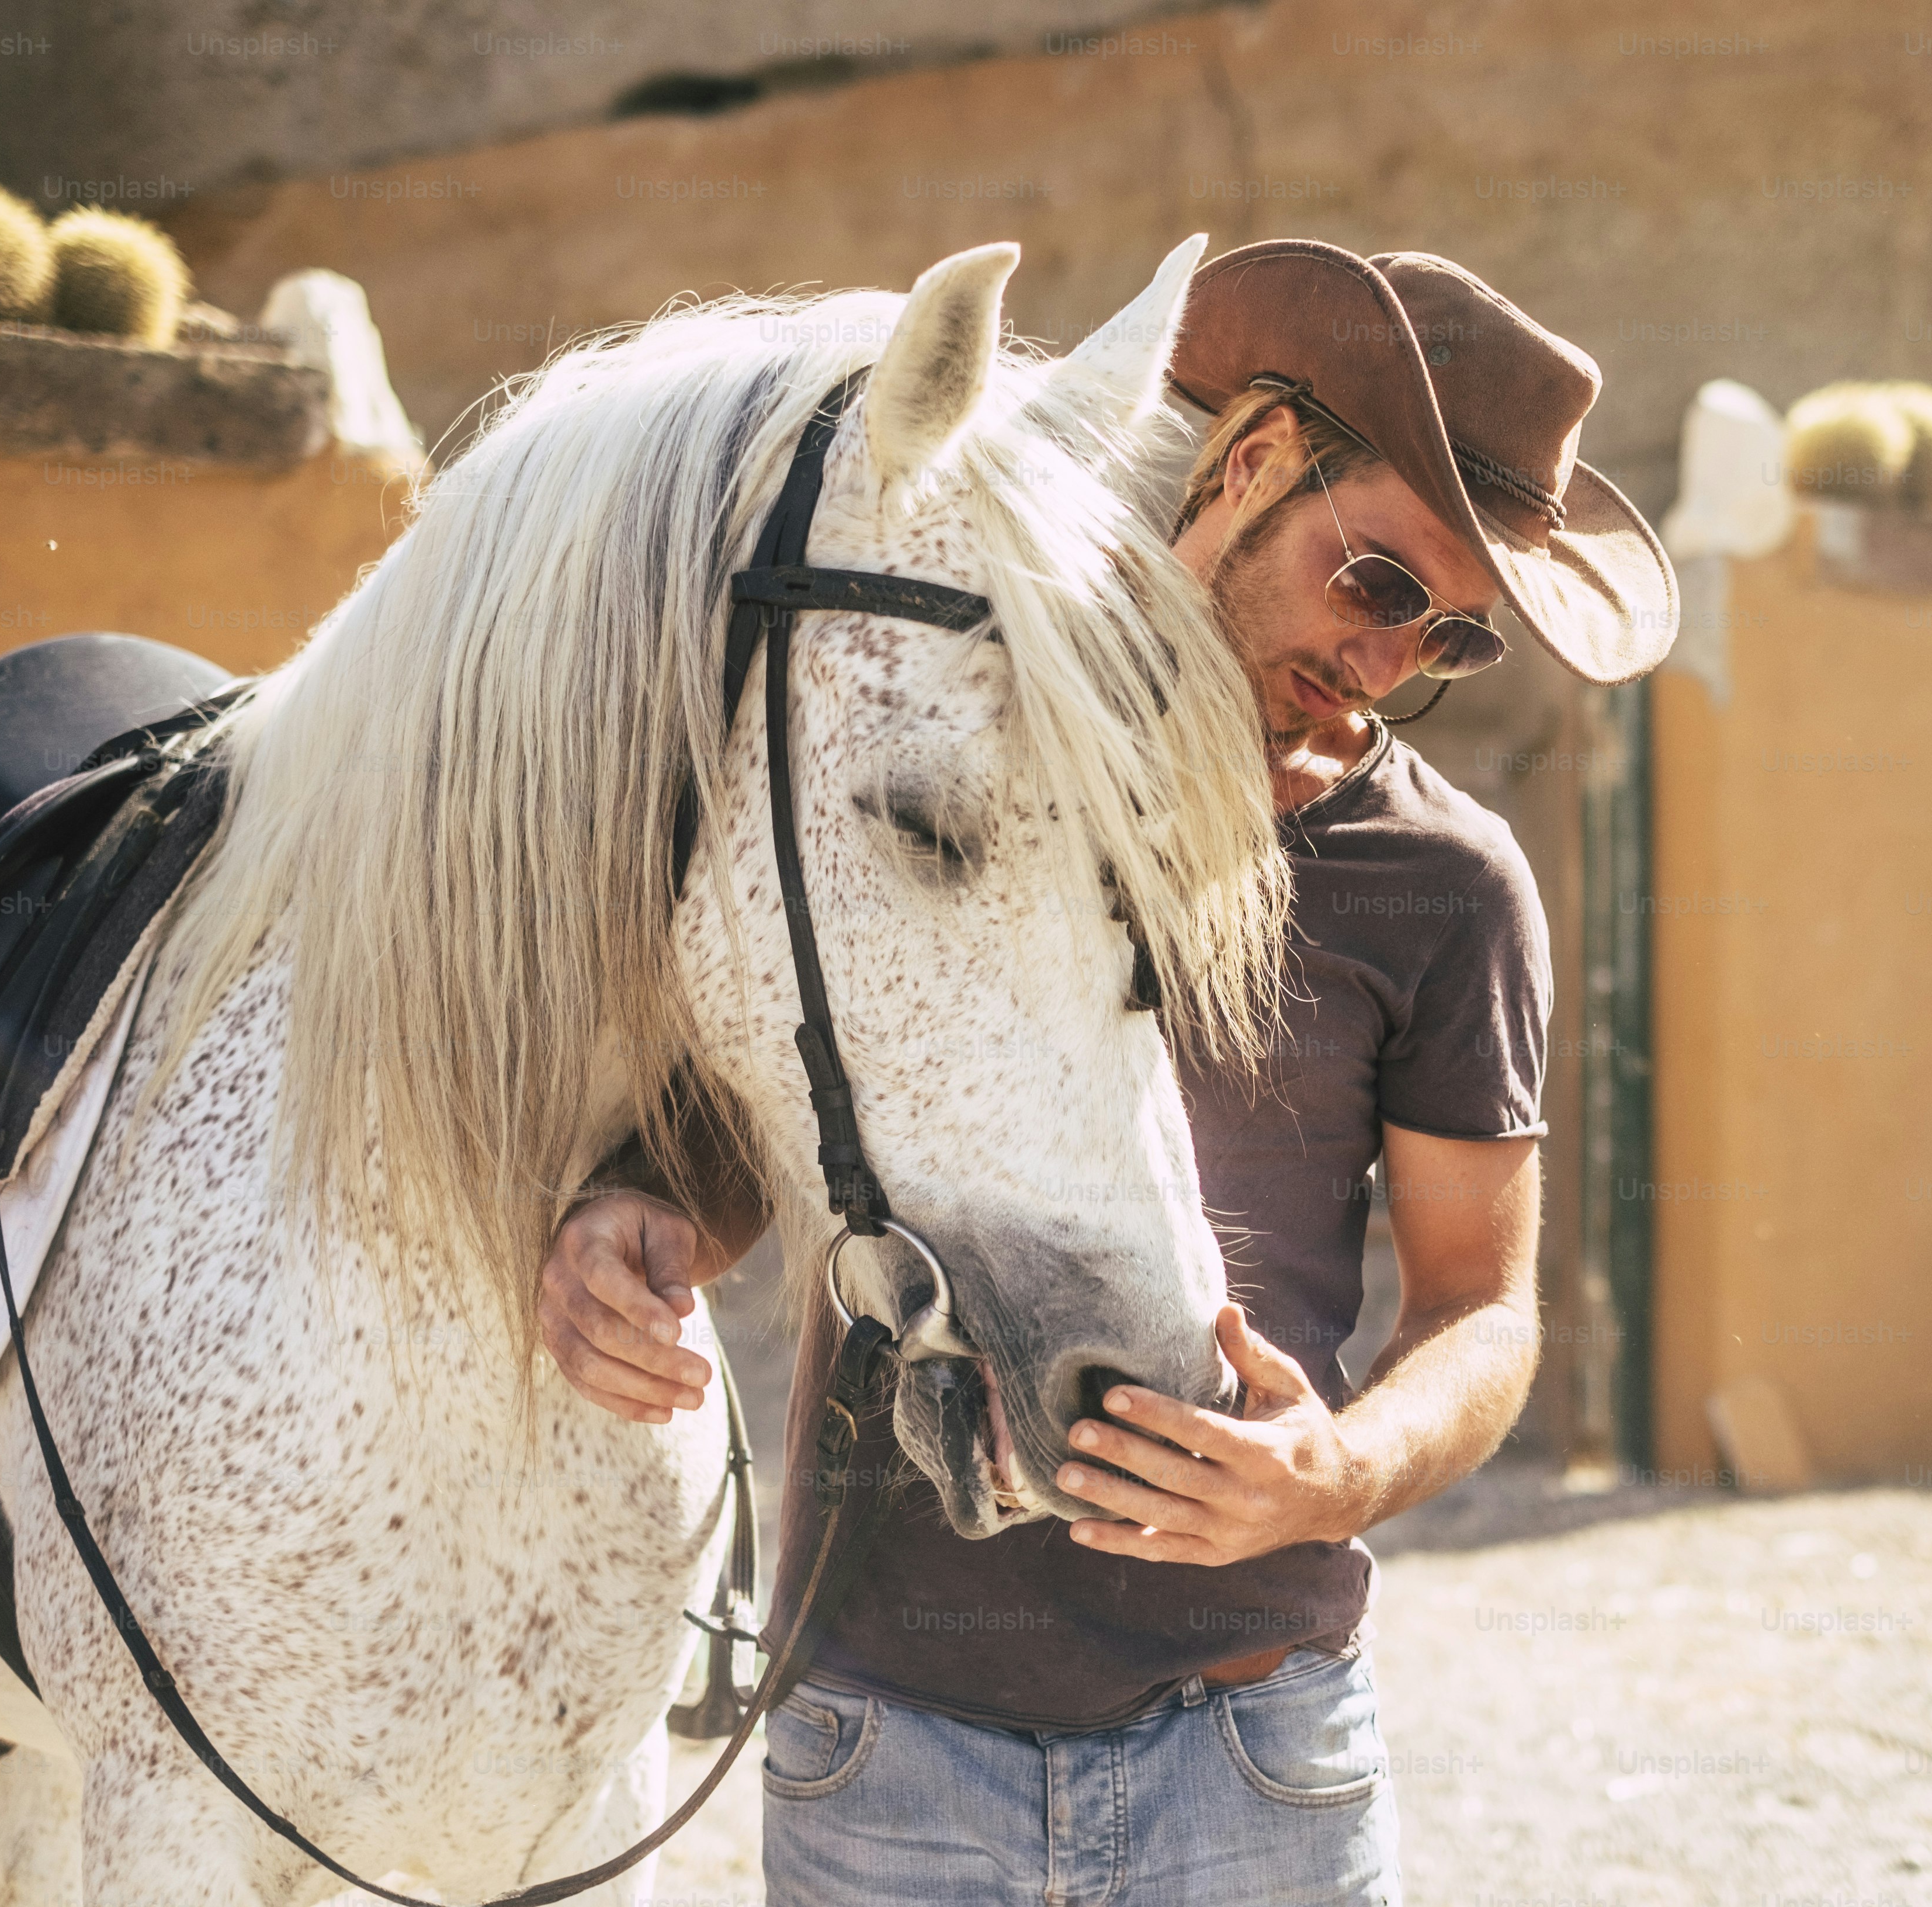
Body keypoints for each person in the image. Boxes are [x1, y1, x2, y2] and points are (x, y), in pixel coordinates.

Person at [534, 239, 1677, 1905]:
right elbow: (784, 1070)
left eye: (1450, 638)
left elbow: (1480, 1309)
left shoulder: (1449, 882)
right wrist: (637, 1220)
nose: (1389, 669)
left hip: (1255, 1749)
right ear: (1253, 465)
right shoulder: (955, 738)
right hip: (884, 1740)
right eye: (1379, 585)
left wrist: (1340, 1472)